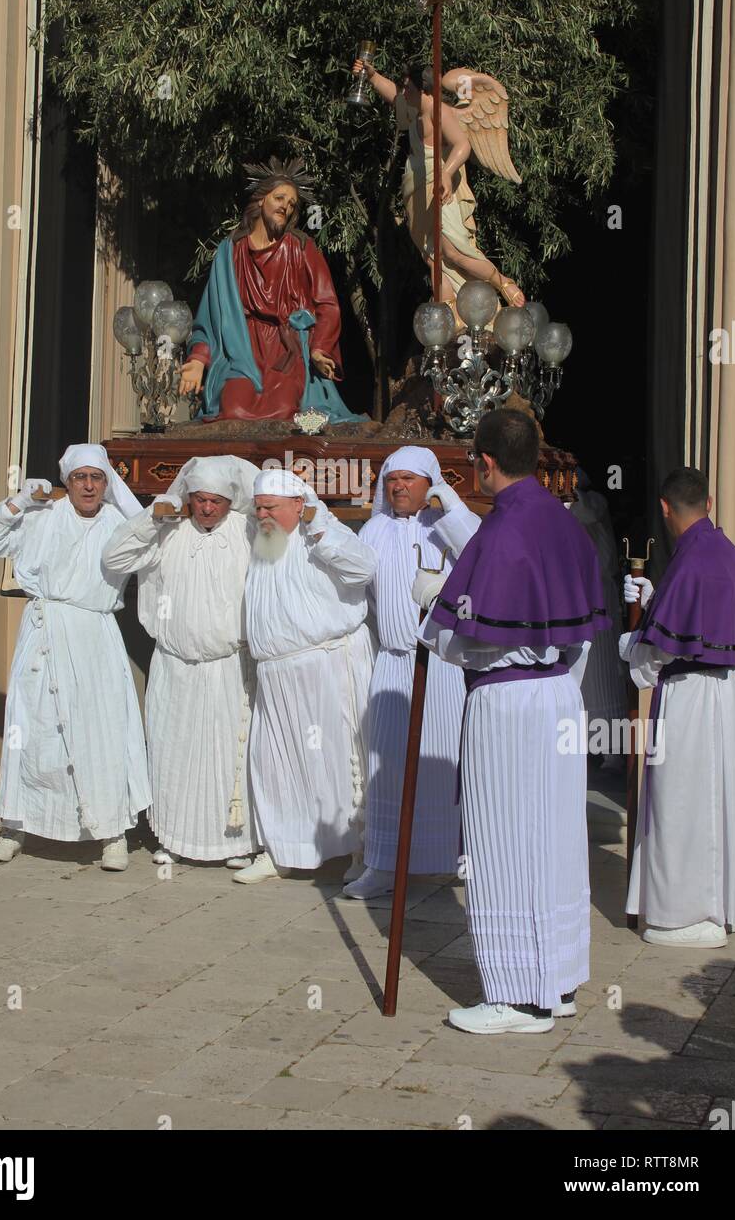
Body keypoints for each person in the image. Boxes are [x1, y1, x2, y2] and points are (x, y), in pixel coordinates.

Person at [418, 409, 610, 1034]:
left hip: (506, 703)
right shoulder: (568, 525)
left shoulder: (500, 534)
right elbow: (582, 637)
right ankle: (555, 983)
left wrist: (430, 602)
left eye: (474, 460)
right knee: (554, 839)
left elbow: (451, 642)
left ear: (487, 462)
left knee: (502, 840)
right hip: (558, 697)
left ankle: (514, 996)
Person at [0, 445, 150, 871]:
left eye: (97, 478)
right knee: (34, 727)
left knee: (103, 729)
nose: (88, 486)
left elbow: (153, 541)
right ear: (66, 482)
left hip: (95, 635)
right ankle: (16, 824)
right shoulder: (41, 517)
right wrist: (16, 502)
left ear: (108, 483)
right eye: (79, 478)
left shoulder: (120, 523)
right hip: (44, 630)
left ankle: (112, 831)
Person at [101, 455, 259, 869]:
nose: (208, 509)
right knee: (173, 754)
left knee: (228, 756)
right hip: (174, 665)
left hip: (229, 666)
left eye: (217, 501)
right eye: (200, 500)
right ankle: (171, 837)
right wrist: (150, 520)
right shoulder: (167, 532)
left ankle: (236, 842)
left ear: (231, 501)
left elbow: (288, 556)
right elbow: (115, 559)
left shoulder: (248, 532)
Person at [344, 447, 480, 899]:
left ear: (430, 483)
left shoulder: (445, 526)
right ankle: (383, 863)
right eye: (391, 479)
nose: (398, 487)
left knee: (444, 763)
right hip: (394, 662)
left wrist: (449, 505)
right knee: (388, 765)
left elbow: (479, 554)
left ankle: (453, 858)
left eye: (409, 479)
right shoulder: (373, 529)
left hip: (440, 665)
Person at [621, 466, 735, 946]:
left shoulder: (690, 559)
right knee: (721, 799)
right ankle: (725, 905)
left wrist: (630, 646)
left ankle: (686, 913)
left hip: (692, 697)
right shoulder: (729, 553)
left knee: (682, 803)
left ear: (665, 507)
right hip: (731, 688)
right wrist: (654, 604)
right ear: (709, 503)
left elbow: (659, 651)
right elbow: (700, 614)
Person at [235, 468, 377, 884]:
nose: (262, 514)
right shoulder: (263, 539)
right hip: (276, 673)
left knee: (338, 762)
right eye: (258, 506)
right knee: (275, 764)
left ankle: (358, 852)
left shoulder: (324, 535)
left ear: (299, 505)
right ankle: (280, 849)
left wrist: (320, 529)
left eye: (271, 507)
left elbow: (363, 569)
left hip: (327, 666)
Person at [179, 158, 363, 423]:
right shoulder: (229, 252)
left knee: (283, 412)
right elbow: (209, 318)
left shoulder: (301, 247)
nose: (285, 207)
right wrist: (198, 360)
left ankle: (282, 464)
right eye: (280, 198)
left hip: (286, 349)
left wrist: (319, 348)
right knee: (233, 410)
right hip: (240, 349)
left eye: (291, 204)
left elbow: (327, 304)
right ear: (261, 199)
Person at [352, 58, 524, 328]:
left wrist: (447, 171)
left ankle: (502, 282)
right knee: (434, 259)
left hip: (440, 190)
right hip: (416, 194)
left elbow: (462, 145)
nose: (404, 92)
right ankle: (450, 313)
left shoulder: (440, 113)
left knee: (453, 250)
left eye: (409, 88)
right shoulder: (413, 114)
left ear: (424, 91)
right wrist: (372, 77)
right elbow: (393, 95)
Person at [569, 469, 629, 772]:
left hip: (598, 593)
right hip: (573, 593)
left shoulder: (594, 502)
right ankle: (579, 746)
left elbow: (585, 513)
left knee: (602, 672)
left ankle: (613, 751)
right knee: (578, 675)